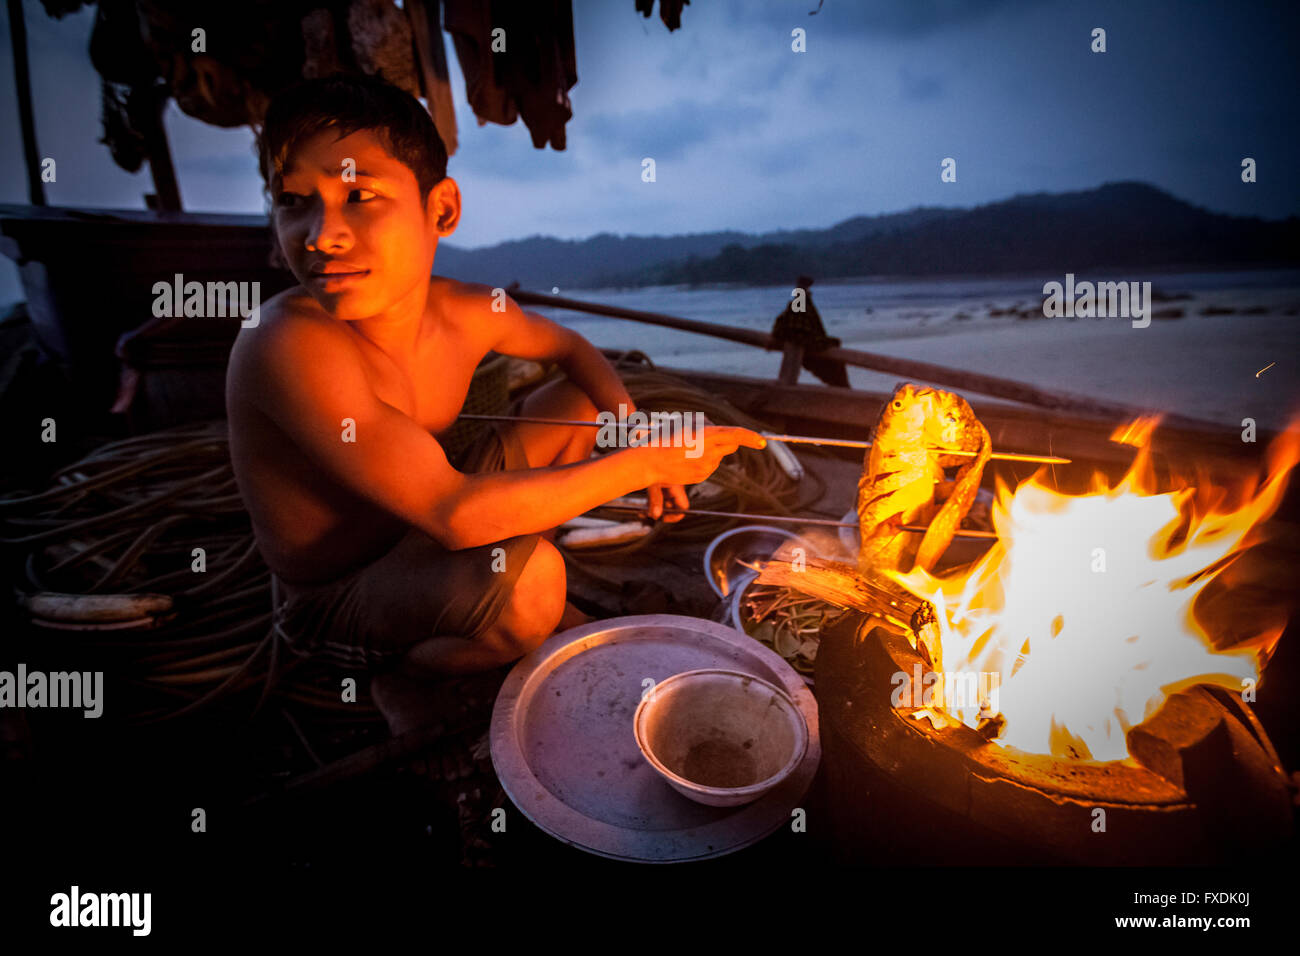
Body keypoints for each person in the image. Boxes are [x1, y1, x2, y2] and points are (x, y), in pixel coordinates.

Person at [226, 74, 764, 680]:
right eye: (294, 201)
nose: (322, 236)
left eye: (358, 196)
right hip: (338, 594)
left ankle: (494, 598)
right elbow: (452, 513)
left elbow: (570, 347)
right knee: (534, 583)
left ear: (442, 209)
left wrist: (631, 428)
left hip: (423, 530)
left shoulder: (470, 311)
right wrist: (646, 466)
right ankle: (407, 686)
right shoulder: (286, 343)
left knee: (575, 404)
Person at [769, 275, 850, 388]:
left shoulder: (801, 299)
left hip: (799, 341)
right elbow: (797, 327)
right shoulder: (801, 300)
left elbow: (797, 323)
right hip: (798, 343)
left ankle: (841, 385)